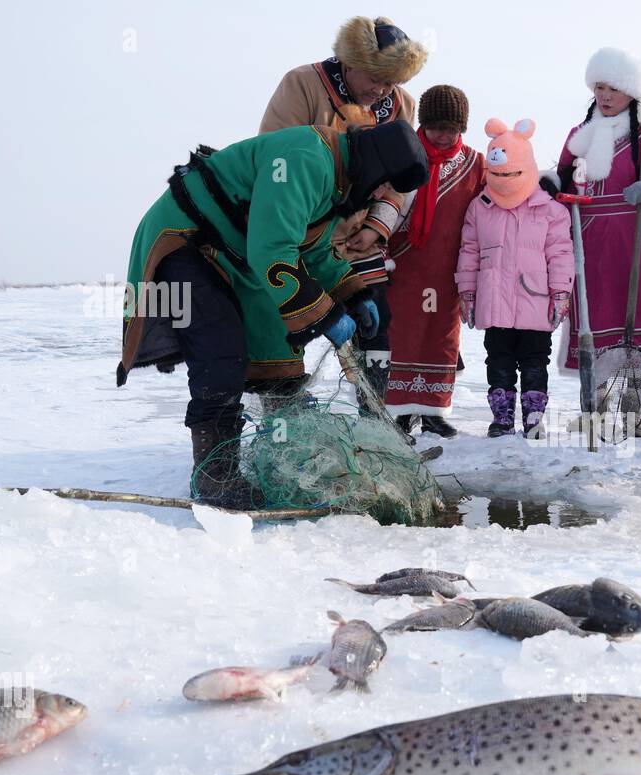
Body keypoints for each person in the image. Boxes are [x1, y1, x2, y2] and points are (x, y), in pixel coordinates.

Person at [116, 122, 429, 509]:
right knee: (220, 348)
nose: (380, 193)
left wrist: (351, 292)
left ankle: (277, 452)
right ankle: (215, 476)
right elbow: (273, 251)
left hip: (229, 256)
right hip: (188, 242)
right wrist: (327, 316)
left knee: (276, 352)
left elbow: (309, 249)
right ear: (376, 164)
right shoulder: (305, 159)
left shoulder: (335, 178)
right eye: (383, 183)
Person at [260, 15, 429, 399]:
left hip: (359, 236)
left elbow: (397, 179)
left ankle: (376, 420)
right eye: (375, 78)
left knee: (376, 321)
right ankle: (283, 416)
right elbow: (277, 165)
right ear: (350, 63)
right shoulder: (302, 84)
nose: (383, 90)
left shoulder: (401, 104)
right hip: (300, 235)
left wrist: (377, 226)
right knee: (288, 323)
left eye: (393, 82)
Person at [548, 48, 641, 436]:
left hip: (639, 239)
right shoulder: (579, 135)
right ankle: (594, 404)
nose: (605, 95)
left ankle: (635, 405)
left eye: (613, 88)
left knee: (637, 321)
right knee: (595, 321)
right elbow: (562, 179)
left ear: (631, 91)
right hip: (589, 241)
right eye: (599, 87)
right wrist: (549, 182)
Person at [455, 119, 575, 438]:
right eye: (498, 175)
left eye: (511, 174)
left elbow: (561, 255)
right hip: (494, 304)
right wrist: (466, 292)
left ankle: (534, 416)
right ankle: (502, 417)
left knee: (535, 361)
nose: (504, 181)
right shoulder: (480, 208)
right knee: (499, 361)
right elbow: (469, 251)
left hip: (534, 303)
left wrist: (561, 293)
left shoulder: (550, 211)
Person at [382, 86, 487, 438]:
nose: (443, 135)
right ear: (422, 124)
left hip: (448, 269)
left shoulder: (476, 164)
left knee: (442, 340)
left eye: (451, 128)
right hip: (402, 265)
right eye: (436, 127)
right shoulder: (401, 155)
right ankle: (398, 412)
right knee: (403, 337)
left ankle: (432, 412)